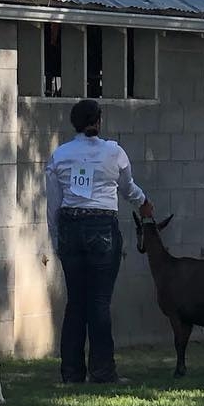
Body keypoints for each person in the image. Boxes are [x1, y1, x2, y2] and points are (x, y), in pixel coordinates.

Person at [44, 98, 154, 384]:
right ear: (98, 121)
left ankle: (71, 373)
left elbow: (53, 202)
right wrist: (143, 202)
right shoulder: (114, 152)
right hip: (102, 225)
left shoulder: (60, 155)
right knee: (100, 302)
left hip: (71, 224)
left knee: (76, 302)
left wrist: (57, 237)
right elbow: (127, 187)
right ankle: (103, 371)